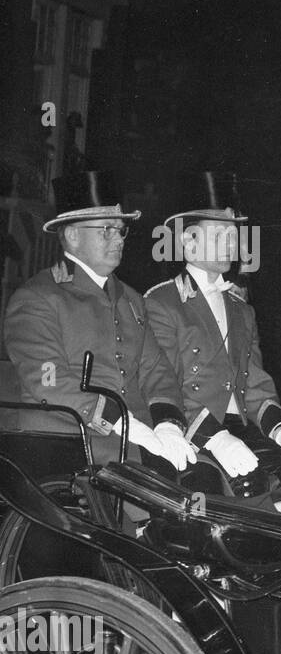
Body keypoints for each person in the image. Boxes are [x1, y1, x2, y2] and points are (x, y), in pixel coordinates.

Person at [3, 171, 195, 474]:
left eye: (120, 230)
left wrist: (168, 425)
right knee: (172, 493)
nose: (118, 238)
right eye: (106, 229)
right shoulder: (37, 298)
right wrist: (122, 422)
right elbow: (49, 382)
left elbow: (158, 371)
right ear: (73, 235)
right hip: (67, 440)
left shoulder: (132, 299)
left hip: (133, 440)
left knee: (205, 477)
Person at [145, 172, 281, 497]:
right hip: (190, 431)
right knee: (244, 491)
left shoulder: (241, 310)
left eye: (234, 235)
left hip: (243, 431)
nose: (233, 244)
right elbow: (162, 383)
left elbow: (255, 385)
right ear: (188, 241)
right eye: (220, 235)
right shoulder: (162, 303)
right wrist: (217, 438)